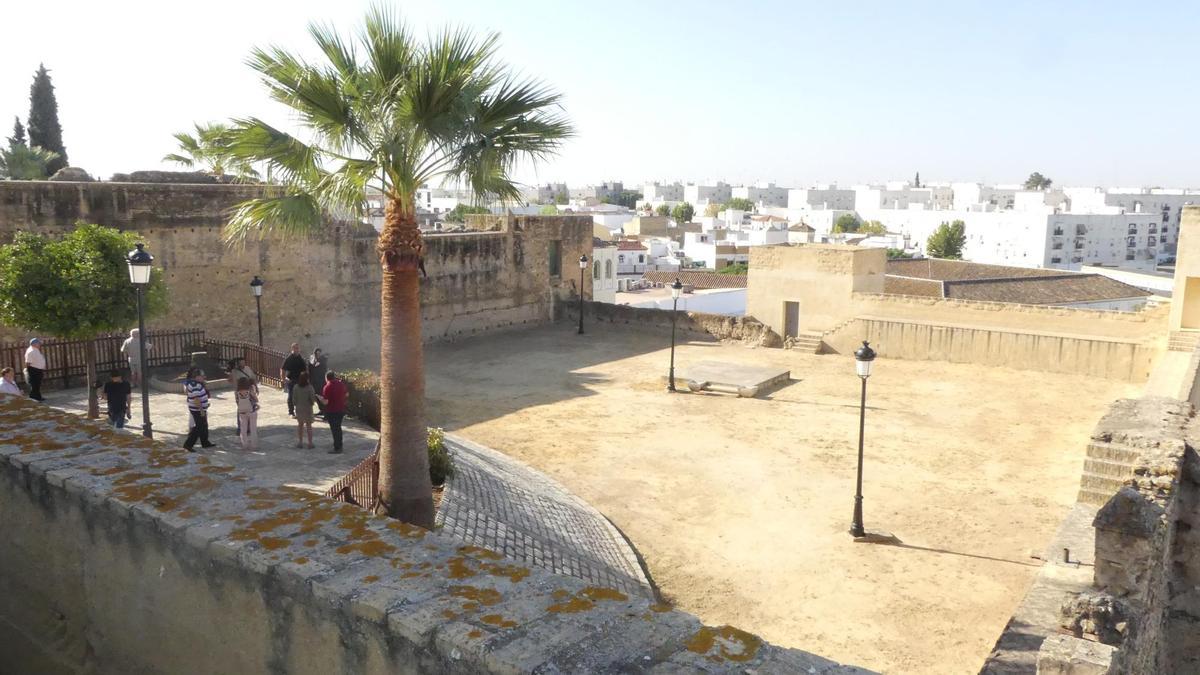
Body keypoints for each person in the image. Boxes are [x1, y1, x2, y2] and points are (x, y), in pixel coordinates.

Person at [182, 367, 216, 451]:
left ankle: (205, 442)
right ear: (197, 376)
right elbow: (196, 399)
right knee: (199, 427)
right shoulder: (195, 385)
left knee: (204, 425)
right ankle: (188, 444)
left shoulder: (198, 384)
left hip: (200, 408)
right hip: (197, 410)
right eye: (202, 376)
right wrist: (201, 410)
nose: (204, 377)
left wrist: (205, 404)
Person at [317, 371, 347, 454]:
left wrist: (320, 398)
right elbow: (346, 394)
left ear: (326, 378)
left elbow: (326, 402)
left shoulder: (327, 387)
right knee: (338, 428)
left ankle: (337, 448)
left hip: (332, 410)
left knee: (335, 429)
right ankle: (339, 445)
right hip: (341, 409)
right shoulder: (341, 384)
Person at [291, 372, 317, 449]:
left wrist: (296, 405)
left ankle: (300, 442)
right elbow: (312, 399)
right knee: (309, 426)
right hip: (308, 408)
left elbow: (294, 399)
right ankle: (310, 443)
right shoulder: (310, 387)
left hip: (299, 408)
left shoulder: (296, 387)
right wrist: (311, 403)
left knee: (300, 425)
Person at [280, 343, 307, 417]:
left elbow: (305, 369)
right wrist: (283, 379)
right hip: (291, 380)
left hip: (299, 380)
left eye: (298, 348)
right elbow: (283, 369)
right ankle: (291, 412)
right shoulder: (289, 358)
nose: (297, 350)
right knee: (291, 396)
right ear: (292, 349)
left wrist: (305, 379)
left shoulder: (300, 358)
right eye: (295, 348)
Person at [234, 376, 259, 450]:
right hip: (251, 411)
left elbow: (237, 402)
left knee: (243, 429)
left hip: (242, 412)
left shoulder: (236, 392)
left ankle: (244, 444)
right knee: (253, 429)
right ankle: (254, 445)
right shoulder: (250, 389)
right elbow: (256, 399)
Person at [308, 348, 328, 418]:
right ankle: (321, 410)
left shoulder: (323, 360)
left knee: (322, 397)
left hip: (321, 381)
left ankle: (326, 413)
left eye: (319, 353)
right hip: (313, 381)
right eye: (317, 353)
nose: (318, 354)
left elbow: (323, 369)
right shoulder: (312, 359)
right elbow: (310, 368)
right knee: (316, 396)